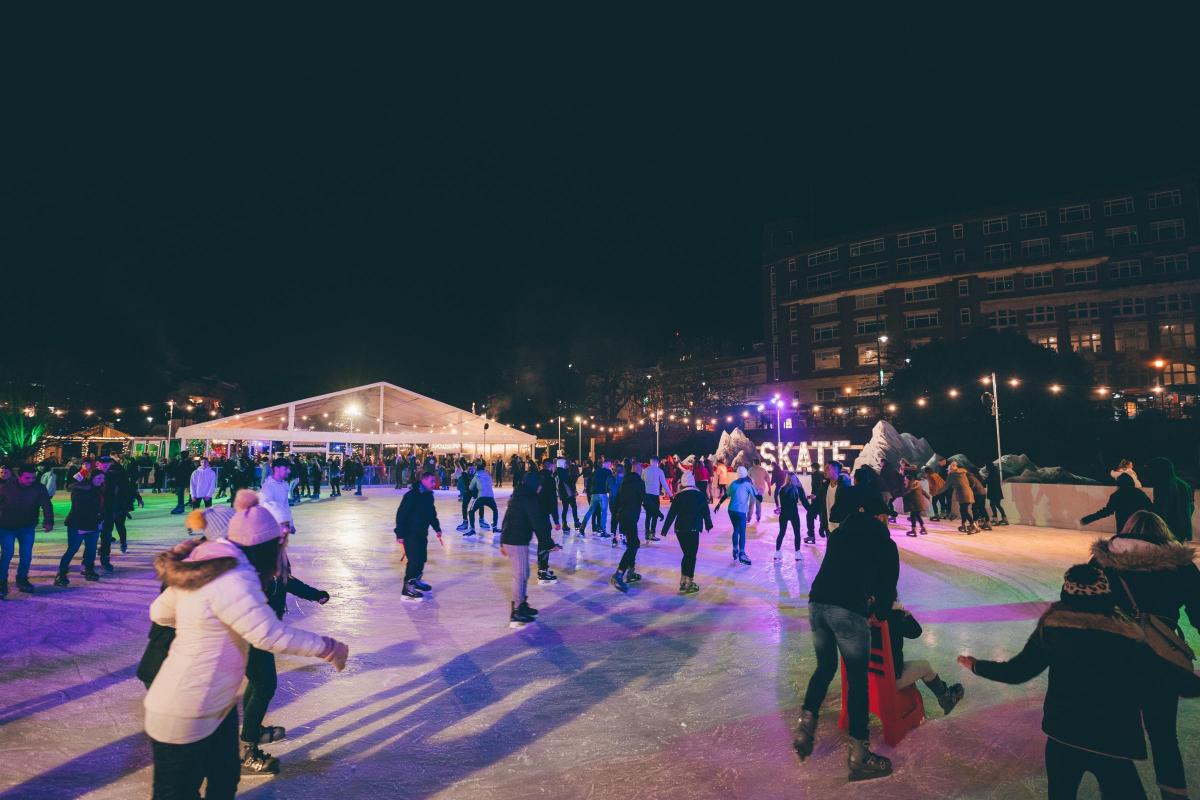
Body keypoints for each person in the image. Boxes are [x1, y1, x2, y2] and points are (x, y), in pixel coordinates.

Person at [144, 497, 349, 799]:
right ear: (263, 547)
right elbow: (267, 634)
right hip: (186, 708)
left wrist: (202, 622)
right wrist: (327, 647)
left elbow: (160, 613)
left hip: (216, 704)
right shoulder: (233, 575)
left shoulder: (204, 564)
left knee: (225, 781)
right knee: (178, 793)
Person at [958, 563, 1198, 800]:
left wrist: (978, 666)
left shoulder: (1053, 626)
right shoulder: (1130, 633)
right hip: (1112, 741)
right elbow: (1163, 680)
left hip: (1063, 735)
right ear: (1107, 593)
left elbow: (1018, 671)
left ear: (1066, 592)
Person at [1089, 510, 1200, 798]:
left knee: (1115, 734)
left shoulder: (1105, 560)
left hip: (1114, 657)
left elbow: (1083, 606)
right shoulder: (1180, 565)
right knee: (1164, 736)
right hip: (1161, 659)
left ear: (1126, 531)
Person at [793, 495, 898, 782]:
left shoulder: (839, 534)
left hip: (817, 605)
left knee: (825, 667)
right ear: (879, 516)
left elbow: (842, 569)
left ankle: (805, 725)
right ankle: (859, 754)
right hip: (848, 611)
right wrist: (879, 611)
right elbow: (888, 589)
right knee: (858, 682)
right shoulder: (885, 543)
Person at [885, 601, 964, 713]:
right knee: (925, 667)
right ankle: (947, 699)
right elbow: (915, 631)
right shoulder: (891, 615)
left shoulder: (859, 614)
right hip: (887, 679)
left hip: (863, 677)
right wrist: (903, 610)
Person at [0, 465, 55, 598]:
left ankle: (22, 578)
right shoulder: (6, 487)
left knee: (26, 555)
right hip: (7, 526)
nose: (31, 480)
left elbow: (47, 505)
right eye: (27, 478)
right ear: (19, 476)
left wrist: (49, 521)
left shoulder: (39, 488)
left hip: (27, 527)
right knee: (7, 554)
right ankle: (2, 581)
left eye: (33, 477)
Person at [499, 472, 543, 627]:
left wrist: (502, 541)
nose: (541, 488)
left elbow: (506, 519)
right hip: (515, 540)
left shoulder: (519, 495)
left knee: (524, 573)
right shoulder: (528, 498)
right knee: (520, 575)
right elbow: (536, 521)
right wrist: (547, 542)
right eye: (539, 485)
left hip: (516, 539)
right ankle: (517, 611)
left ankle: (521, 605)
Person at [660, 471, 713, 593]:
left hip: (680, 529)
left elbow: (672, 513)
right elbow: (706, 512)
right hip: (693, 528)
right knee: (691, 555)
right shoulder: (700, 495)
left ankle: (683, 580)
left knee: (687, 554)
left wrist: (665, 529)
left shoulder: (679, 496)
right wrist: (708, 524)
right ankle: (689, 581)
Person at [394, 471, 443, 601]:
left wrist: (437, 528)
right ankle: (407, 588)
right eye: (432, 481)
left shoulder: (428, 496)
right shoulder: (412, 495)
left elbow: (432, 513)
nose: (434, 484)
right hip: (410, 534)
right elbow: (401, 514)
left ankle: (416, 581)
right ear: (424, 480)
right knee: (414, 561)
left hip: (422, 533)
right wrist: (399, 533)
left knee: (421, 559)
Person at [55, 470, 106, 586]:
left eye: (102, 479)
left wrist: (101, 520)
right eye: (98, 479)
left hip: (93, 525)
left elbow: (101, 507)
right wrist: (82, 526)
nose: (101, 481)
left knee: (91, 549)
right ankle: (61, 574)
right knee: (72, 549)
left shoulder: (98, 490)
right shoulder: (80, 489)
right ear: (91, 478)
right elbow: (78, 509)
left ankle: (89, 570)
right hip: (78, 525)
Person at [610, 461, 646, 592]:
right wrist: (656, 511)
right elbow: (645, 499)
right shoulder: (638, 482)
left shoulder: (624, 482)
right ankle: (619, 574)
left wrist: (614, 526)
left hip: (622, 517)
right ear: (638, 470)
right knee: (633, 545)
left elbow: (616, 502)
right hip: (630, 518)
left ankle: (630, 572)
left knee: (633, 543)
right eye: (641, 469)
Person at [1080, 472, 1152, 533]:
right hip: (1139, 527)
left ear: (1118, 484)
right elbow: (1150, 508)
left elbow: (1107, 511)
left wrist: (1088, 519)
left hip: (1123, 528)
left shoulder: (1117, 495)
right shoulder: (1140, 493)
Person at [1146, 457, 1195, 543]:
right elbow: (1191, 506)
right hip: (1181, 527)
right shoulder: (1185, 485)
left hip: (1166, 528)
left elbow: (1162, 508)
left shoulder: (1163, 485)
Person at [725, 465, 758, 565]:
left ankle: (735, 550)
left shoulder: (733, 483)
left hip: (731, 510)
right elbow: (755, 496)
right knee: (742, 532)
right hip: (741, 511)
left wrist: (718, 504)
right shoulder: (748, 484)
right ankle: (742, 554)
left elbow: (726, 494)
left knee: (736, 529)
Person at [774, 472, 809, 560]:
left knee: (781, 532)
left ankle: (777, 552)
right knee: (797, 533)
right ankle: (797, 553)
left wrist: (780, 508)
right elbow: (804, 502)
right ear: (795, 479)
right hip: (793, 513)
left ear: (787, 479)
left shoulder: (782, 489)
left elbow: (784, 503)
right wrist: (812, 511)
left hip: (784, 514)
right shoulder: (798, 489)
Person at [935, 462, 977, 534]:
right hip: (968, 492)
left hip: (963, 494)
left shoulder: (952, 475)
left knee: (964, 510)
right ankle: (963, 525)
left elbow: (946, 486)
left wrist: (937, 492)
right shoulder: (963, 472)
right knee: (962, 510)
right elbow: (972, 482)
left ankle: (974, 526)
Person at [642, 456, 672, 540]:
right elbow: (664, 484)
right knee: (655, 515)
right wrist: (671, 495)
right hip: (655, 496)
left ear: (650, 461)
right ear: (657, 462)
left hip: (647, 495)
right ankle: (652, 534)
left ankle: (647, 534)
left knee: (648, 516)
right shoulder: (659, 471)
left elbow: (641, 482)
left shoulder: (645, 470)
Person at [581, 458, 613, 535]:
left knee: (590, 511)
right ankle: (602, 530)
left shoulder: (594, 472)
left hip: (594, 494)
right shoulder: (607, 471)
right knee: (604, 512)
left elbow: (589, 483)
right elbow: (611, 481)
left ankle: (582, 527)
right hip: (602, 494)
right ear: (604, 464)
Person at [469, 465, 498, 535]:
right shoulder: (489, 476)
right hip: (490, 496)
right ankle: (494, 526)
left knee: (471, 511)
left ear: (477, 470)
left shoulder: (476, 476)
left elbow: (470, 487)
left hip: (481, 497)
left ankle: (472, 529)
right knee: (495, 510)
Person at [804, 463, 830, 543]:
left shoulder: (816, 475)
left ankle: (812, 535)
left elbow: (819, 487)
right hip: (820, 499)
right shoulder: (822, 475)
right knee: (822, 518)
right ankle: (827, 538)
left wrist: (815, 495)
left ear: (813, 468)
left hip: (818, 500)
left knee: (811, 515)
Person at [554, 458, 581, 533]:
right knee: (573, 507)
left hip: (563, 493)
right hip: (568, 493)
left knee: (565, 508)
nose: (566, 465)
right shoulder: (563, 472)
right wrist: (574, 490)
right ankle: (576, 522)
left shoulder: (556, 472)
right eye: (565, 463)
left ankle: (565, 524)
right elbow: (569, 482)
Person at [747, 458, 771, 525]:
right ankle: (758, 517)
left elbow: (747, 479)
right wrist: (770, 489)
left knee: (751, 503)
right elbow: (768, 480)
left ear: (754, 463)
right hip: (761, 489)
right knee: (758, 503)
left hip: (753, 489)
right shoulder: (763, 470)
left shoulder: (751, 469)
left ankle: (748, 517)